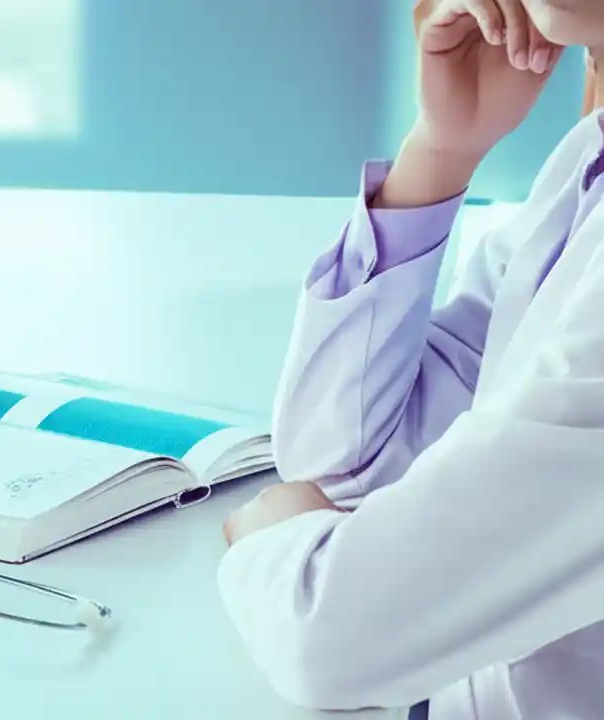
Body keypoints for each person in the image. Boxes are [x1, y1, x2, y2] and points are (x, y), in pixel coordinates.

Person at [216, 1, 604, 718]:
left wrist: (272, 537)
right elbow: (346, 461)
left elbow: (330, 640)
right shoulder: (590, 159)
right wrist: (443, 150)